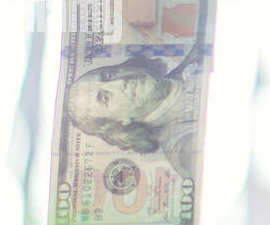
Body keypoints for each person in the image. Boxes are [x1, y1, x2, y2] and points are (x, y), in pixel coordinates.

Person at [65, 47, 206, 181]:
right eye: (106, 97)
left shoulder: (197, 51)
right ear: (121, 122)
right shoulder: (183, 147)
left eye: (109, 75)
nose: (120, 82)